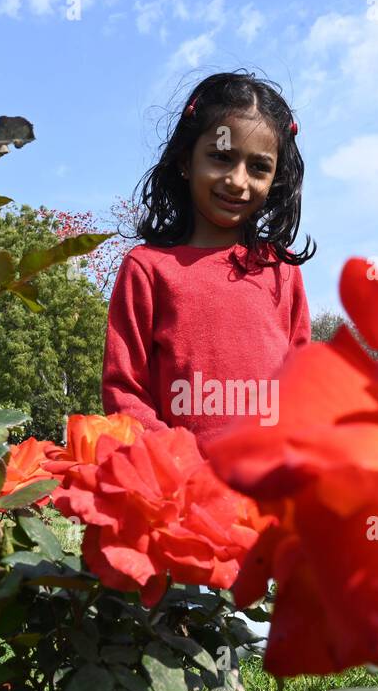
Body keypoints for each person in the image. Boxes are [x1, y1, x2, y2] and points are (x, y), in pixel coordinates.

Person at [102, 71, 314, 448]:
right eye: (220, 157)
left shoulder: (282, 271)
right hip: (181, 493)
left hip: (268, 493)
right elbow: (125, 392)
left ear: (276, 177)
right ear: (186, 160)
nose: (237, 180)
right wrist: (182, 467)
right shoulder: (147, 269)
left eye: (258, 167)